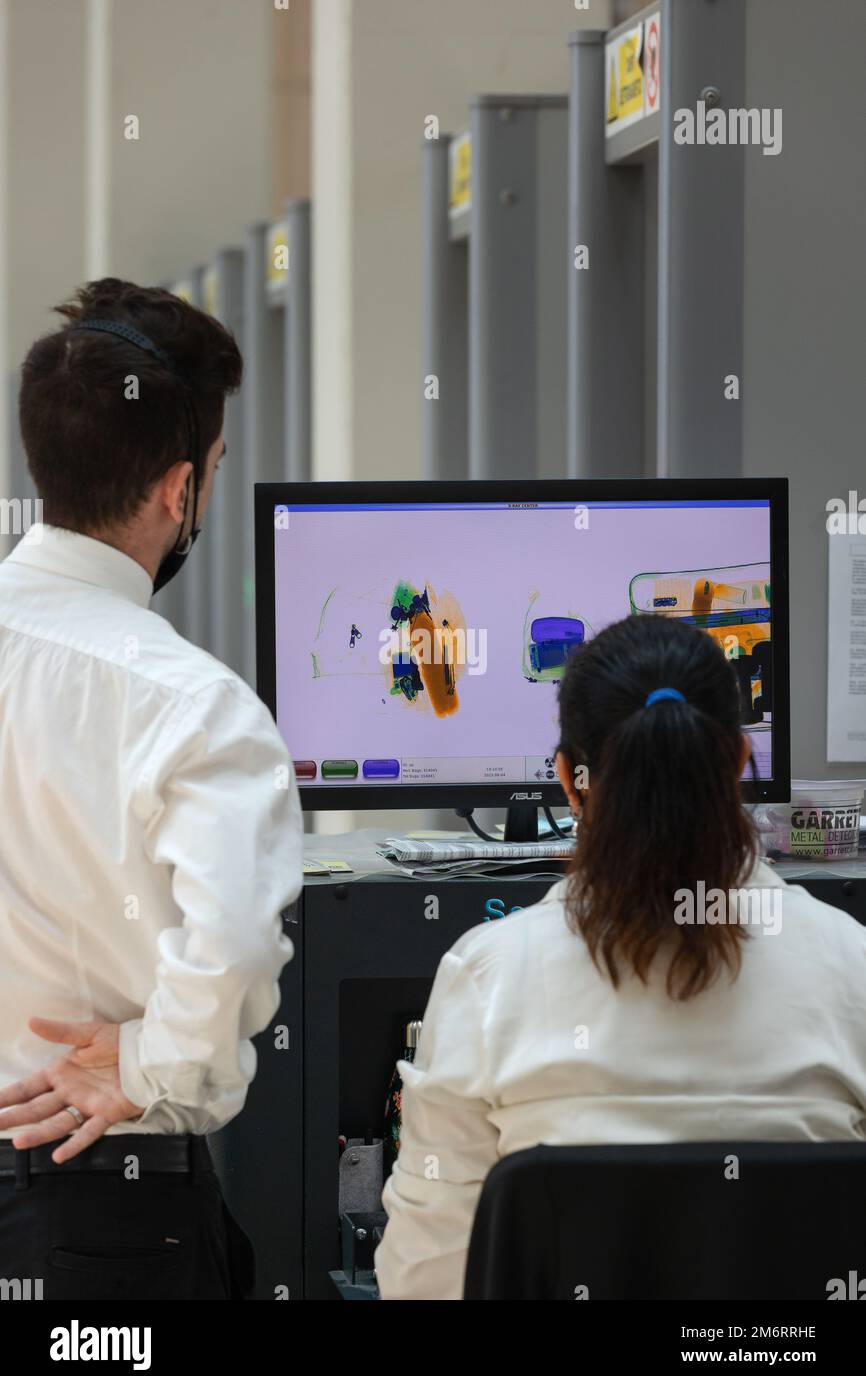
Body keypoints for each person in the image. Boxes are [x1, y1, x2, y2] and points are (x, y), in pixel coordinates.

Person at [375, 613, 866, 1300]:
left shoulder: (489, 980)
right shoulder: (853, 965)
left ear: (571, 781)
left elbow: (424, 1281)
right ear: (734, 762)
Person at [0, 279, 303, 1299]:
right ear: (180, 490)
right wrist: (145, 1067)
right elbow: (235, 952)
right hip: (97, 1202)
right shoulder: (193, 707)